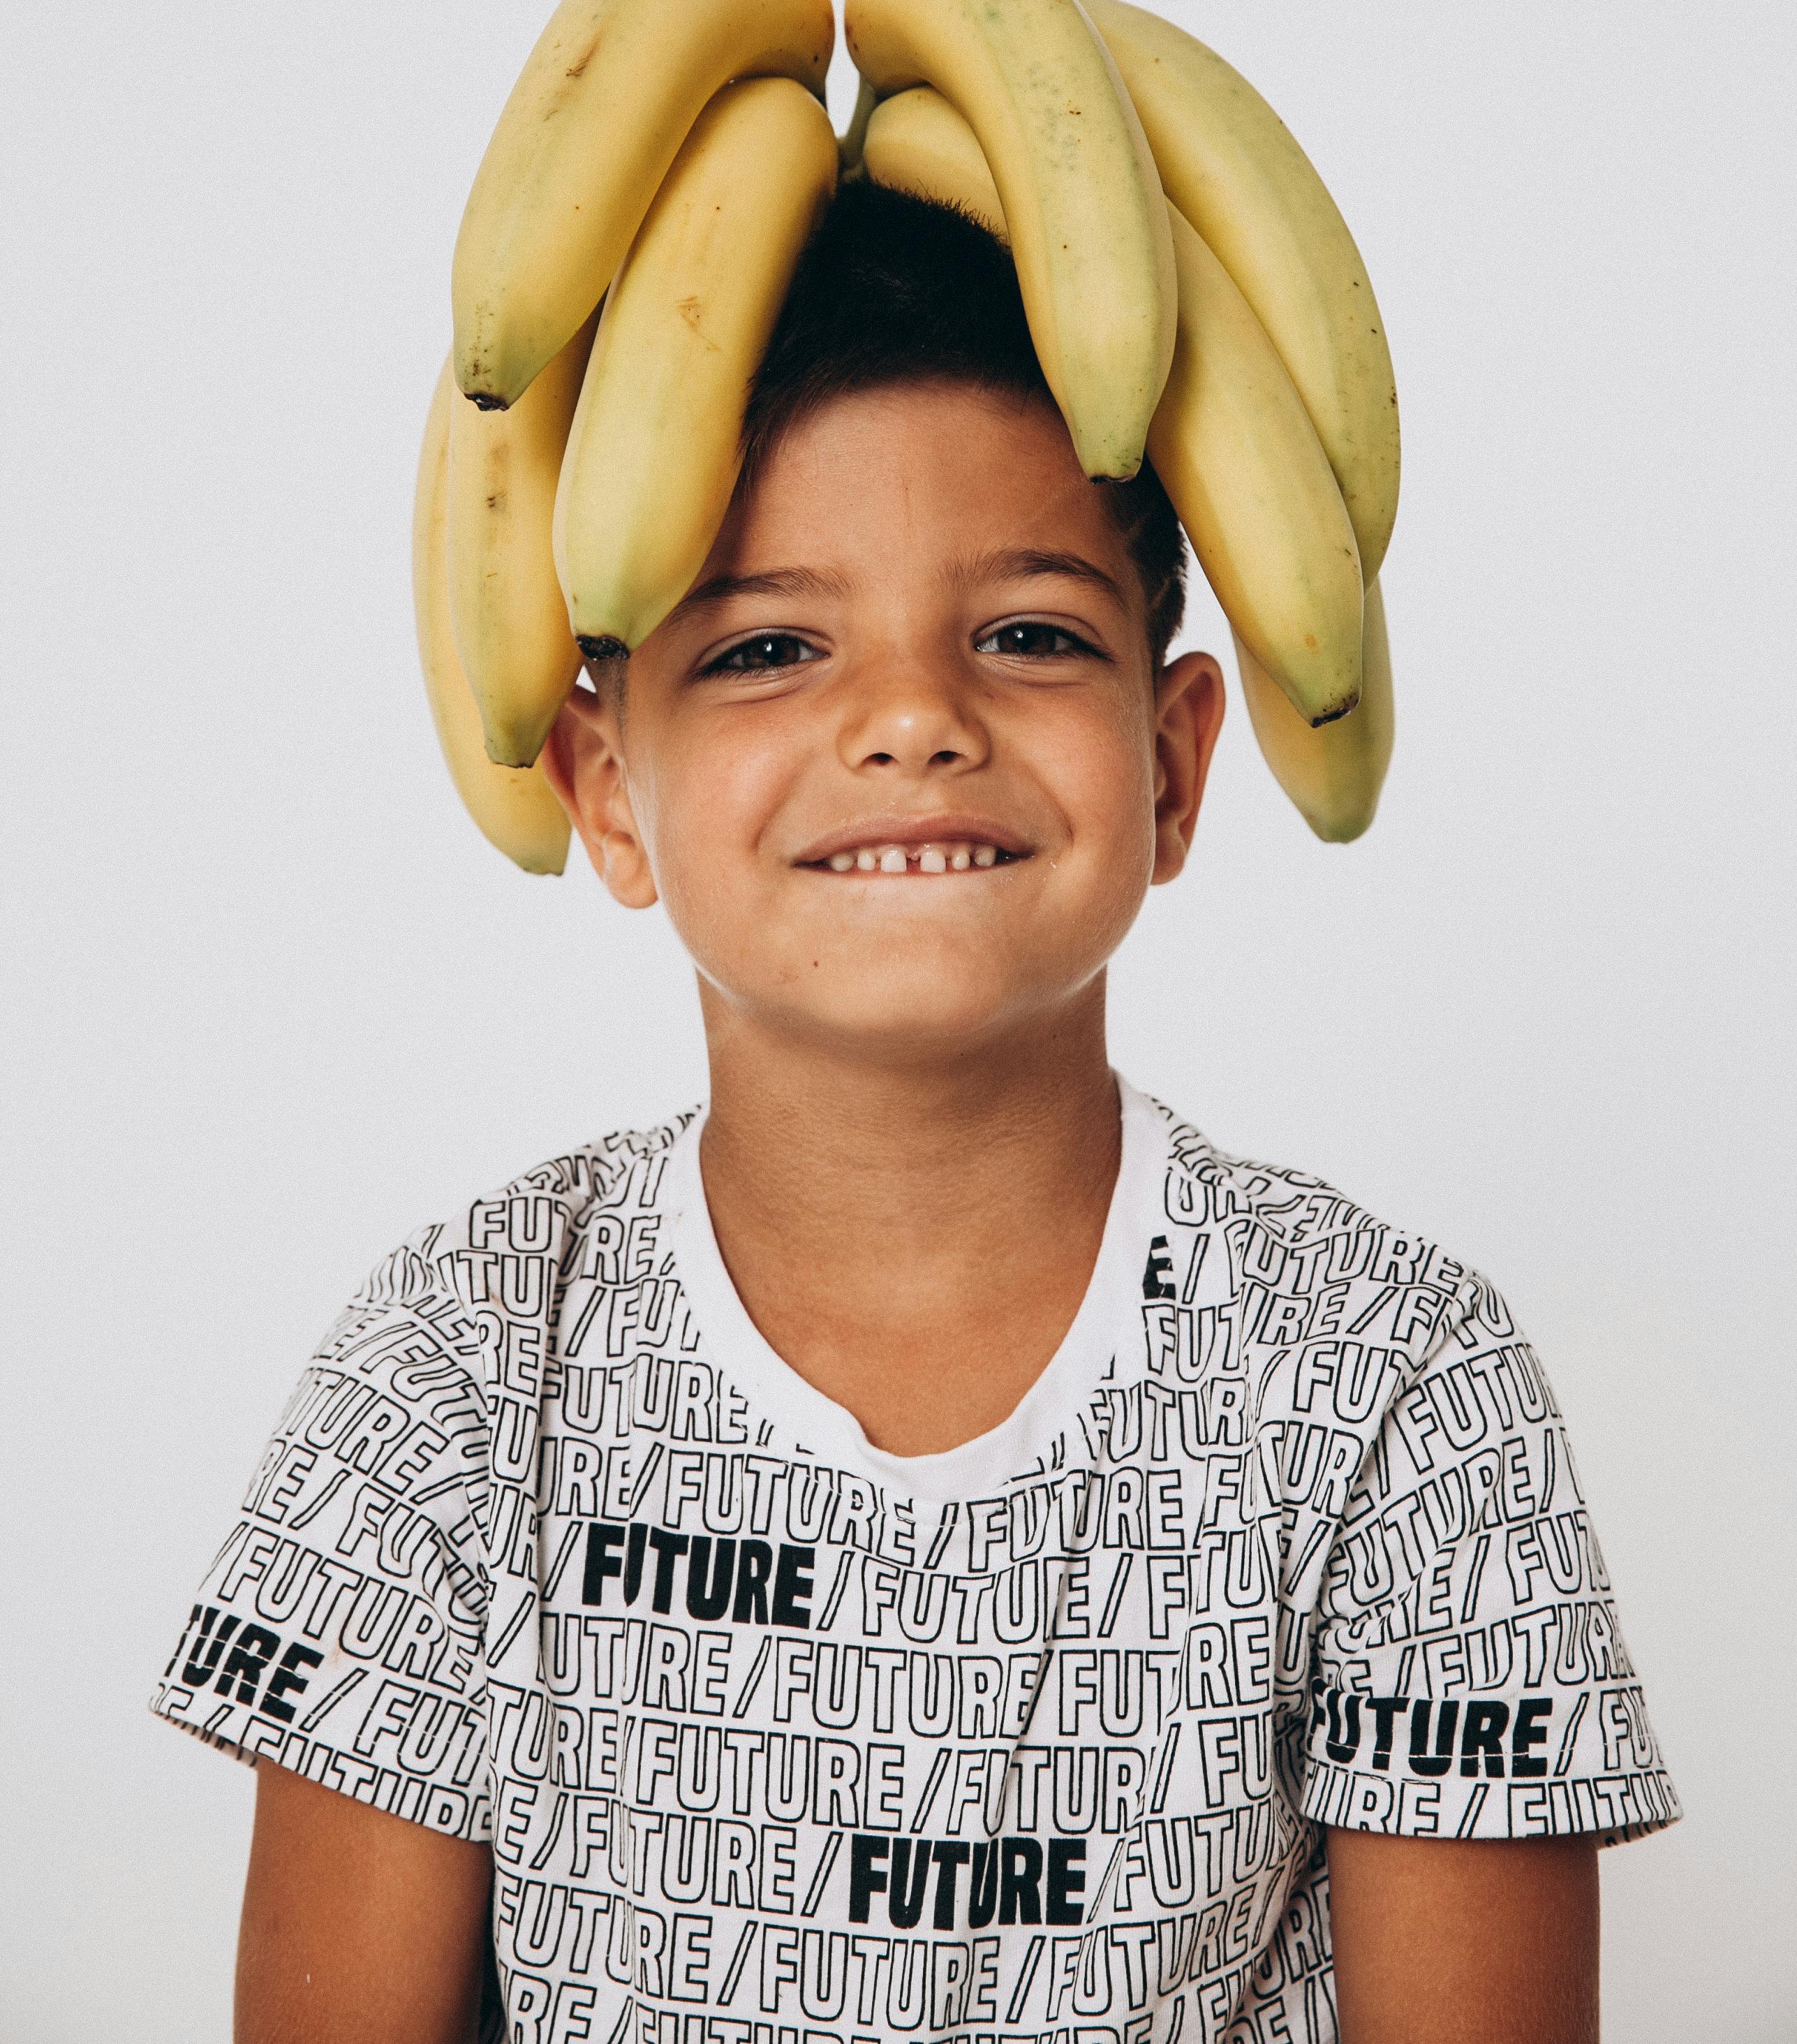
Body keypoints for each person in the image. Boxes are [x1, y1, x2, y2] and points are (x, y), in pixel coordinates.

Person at [154, 183, 1676, 2043]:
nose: (911, 718)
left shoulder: (1398, 1385)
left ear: (1177, 762)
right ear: (607, 788)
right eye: (768, 647)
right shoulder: (458, 1367)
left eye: (1030, 635)